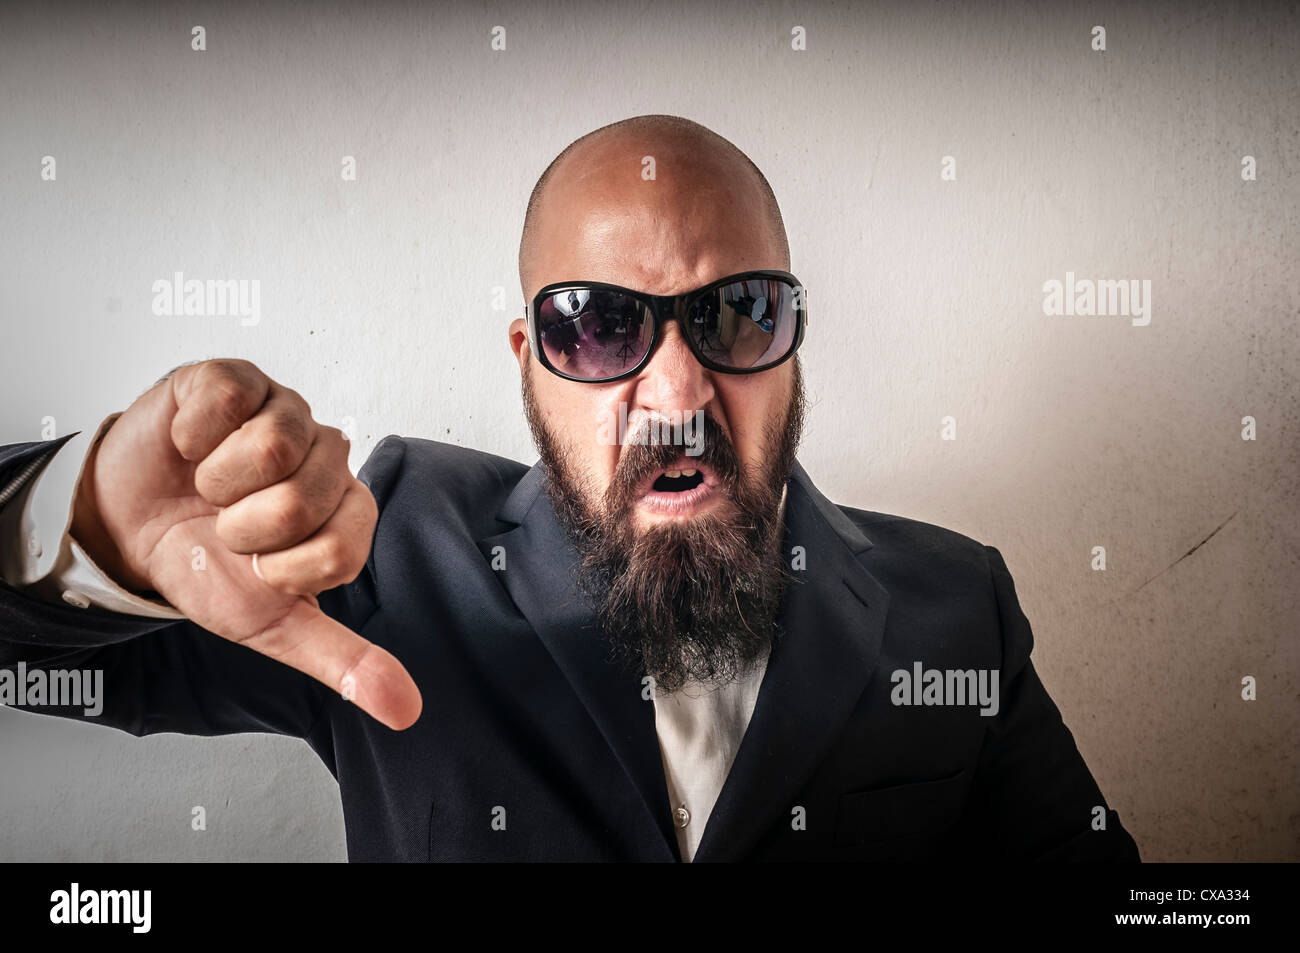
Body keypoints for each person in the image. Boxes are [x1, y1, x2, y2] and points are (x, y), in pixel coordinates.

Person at [0, 114, 1140, 862]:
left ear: (793, 342)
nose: (678, 387)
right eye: (597, 327)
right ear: (527, 360)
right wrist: (80, 527)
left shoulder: (954, 605)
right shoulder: (380, 559)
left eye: (738, 312)